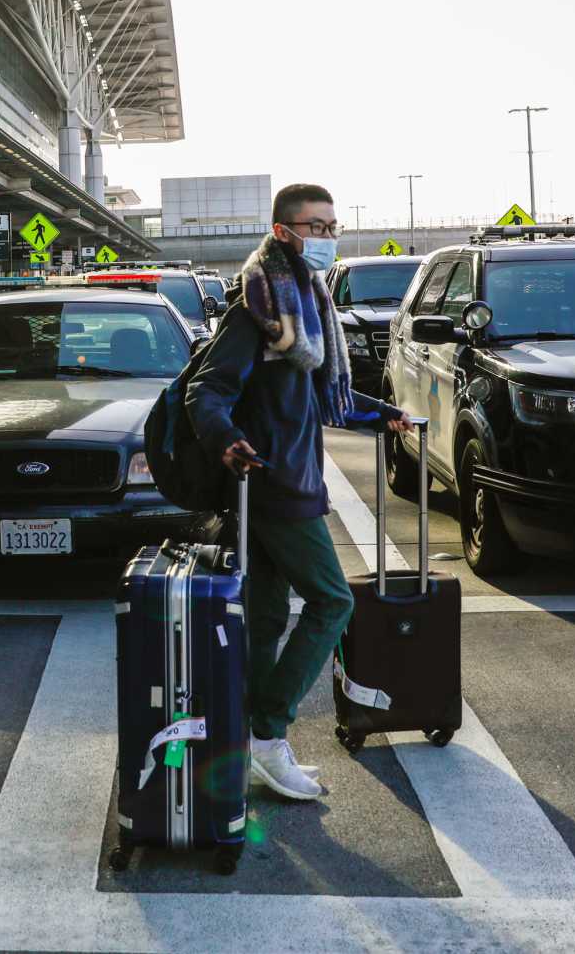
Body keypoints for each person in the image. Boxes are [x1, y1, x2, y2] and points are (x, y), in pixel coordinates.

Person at [185, 182, 404, 802]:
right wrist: (227, 439)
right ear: (283, 232)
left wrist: (381, 411)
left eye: (332, 226)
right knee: (334, 603)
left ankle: (252, 739)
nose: (327, 238)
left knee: (270, 617)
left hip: (285, 480)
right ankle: (267, 732)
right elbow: (208, 389)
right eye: (315, 226)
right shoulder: (259, 312)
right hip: (275, 484)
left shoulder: (303, 304)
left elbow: (315, 395)